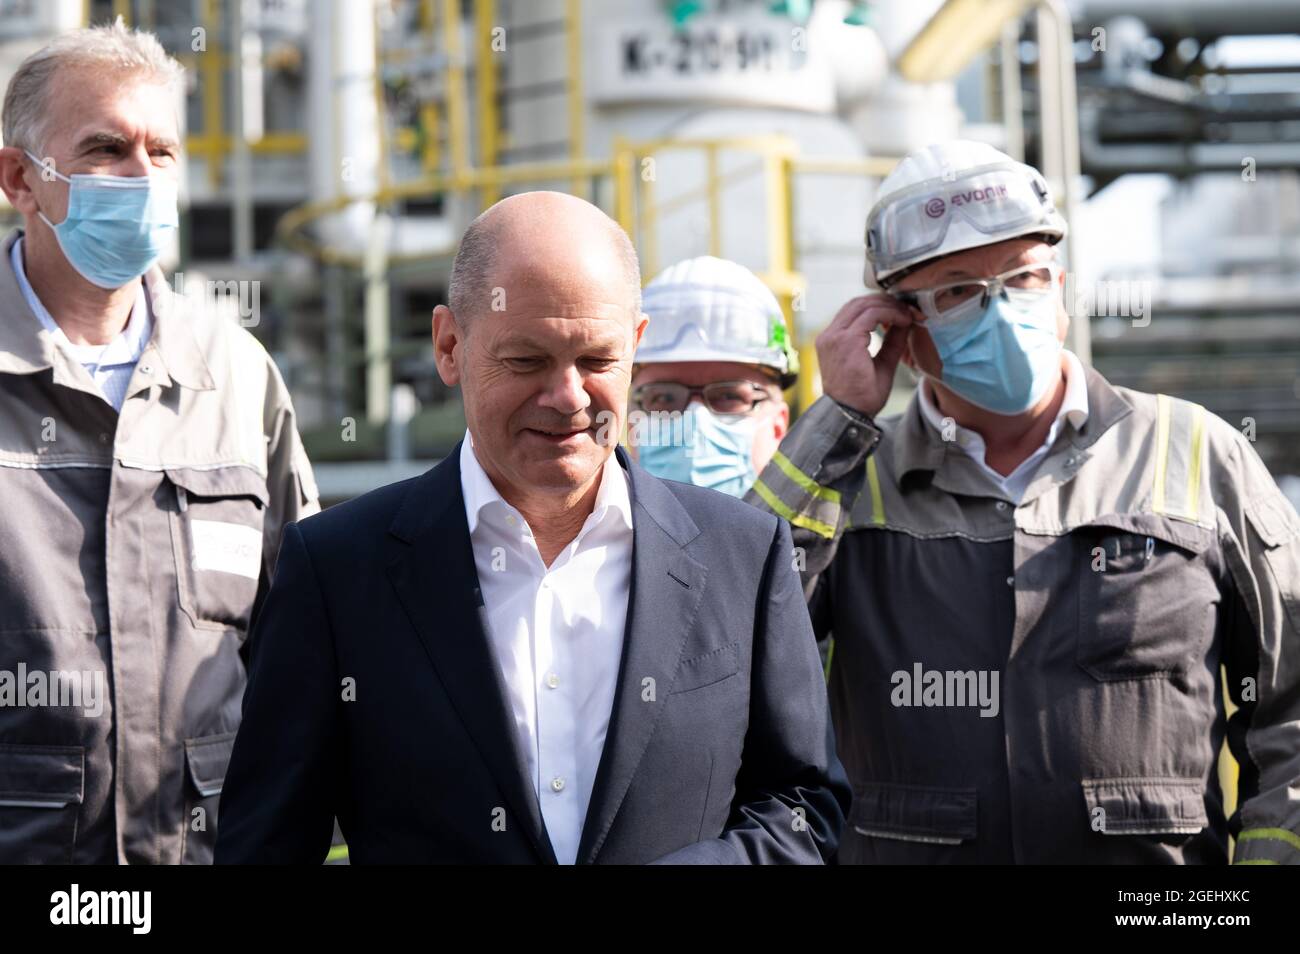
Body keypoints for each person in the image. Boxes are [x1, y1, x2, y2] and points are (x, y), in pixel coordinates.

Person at [215, 191, 849, 865]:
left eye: (598, 361)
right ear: (449, 346)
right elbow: (267, 846)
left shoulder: (744, 556)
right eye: (527, 360)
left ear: (635, 346)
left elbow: (804, 806)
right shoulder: (337, 572)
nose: (568, 396)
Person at [747, 139, 1300, 864]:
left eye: (1025, 276)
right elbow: (734, 629)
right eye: (958, 291)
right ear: (901, 330)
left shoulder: (1196, 454)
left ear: (1062, 290)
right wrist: (835, 422)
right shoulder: (852, 477)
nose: (1002, 310)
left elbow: (1289, 708)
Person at [0, 22, 318, 863]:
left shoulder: (236, 378)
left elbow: (304, 647)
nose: (141, 177)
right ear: (19, 179)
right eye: (106, 148)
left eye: (161, 152)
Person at [628, 255, 796, 497]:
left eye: (729, 396)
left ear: (778, 426)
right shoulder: (590, 532)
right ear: (632, 423)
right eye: (663, 398)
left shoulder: (832, 532)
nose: (696, 421)